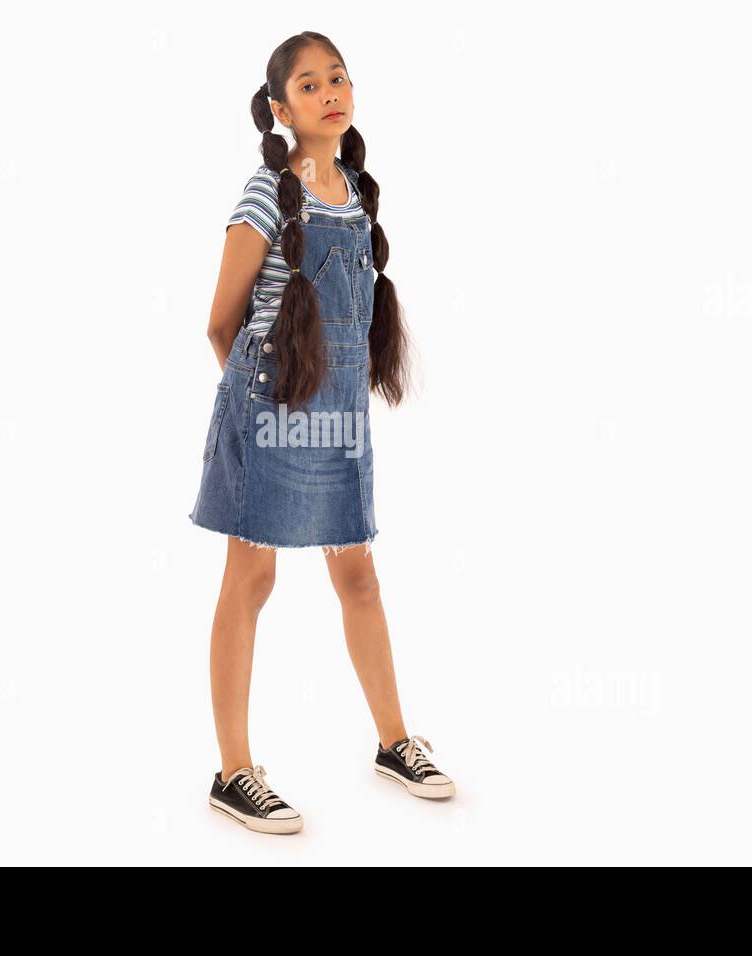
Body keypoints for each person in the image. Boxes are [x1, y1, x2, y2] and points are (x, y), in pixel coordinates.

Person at [188, 32, 456, 835]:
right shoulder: (266, 194)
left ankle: (395, 741)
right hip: (268, 408)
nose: (330, 91)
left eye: (338, 77)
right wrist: (266, 403)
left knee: (360, 578)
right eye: (310, 85)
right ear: (280, 109)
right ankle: (233, 772)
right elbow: (219, 324)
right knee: (252, 579)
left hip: (340, 418)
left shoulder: (356, 192)